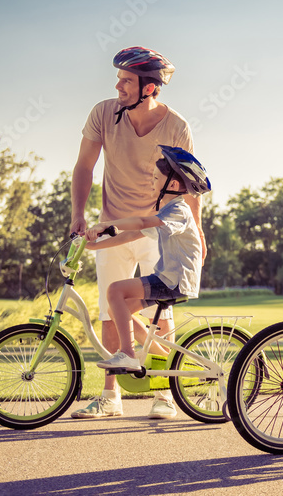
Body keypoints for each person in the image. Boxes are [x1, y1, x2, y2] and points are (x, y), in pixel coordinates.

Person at [69, 47, 204, 421]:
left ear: (149, 88)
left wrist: (199, 234)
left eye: (126, 80)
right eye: (119, 79)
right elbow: (84, 165)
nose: (118, 86)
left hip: (155, 228)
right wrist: (78, 214)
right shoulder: (103, 113)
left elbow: (188, 186)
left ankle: (165, 395)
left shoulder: (176, 126)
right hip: (111, 227)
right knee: (111, 313)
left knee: (162, 314)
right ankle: (111, 396)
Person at [85, 146, 210, 379]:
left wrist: (107, 224)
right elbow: (134, 235)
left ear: (171, 185)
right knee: (115, 309)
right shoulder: (167, 211)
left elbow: (141, 222)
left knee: (114, 290)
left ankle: (128, 354)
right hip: (168, 278)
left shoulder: (178, 211)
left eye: (155, 178)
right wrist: (94, 245)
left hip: (173, 280)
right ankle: (169, 363)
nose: (151, 183)